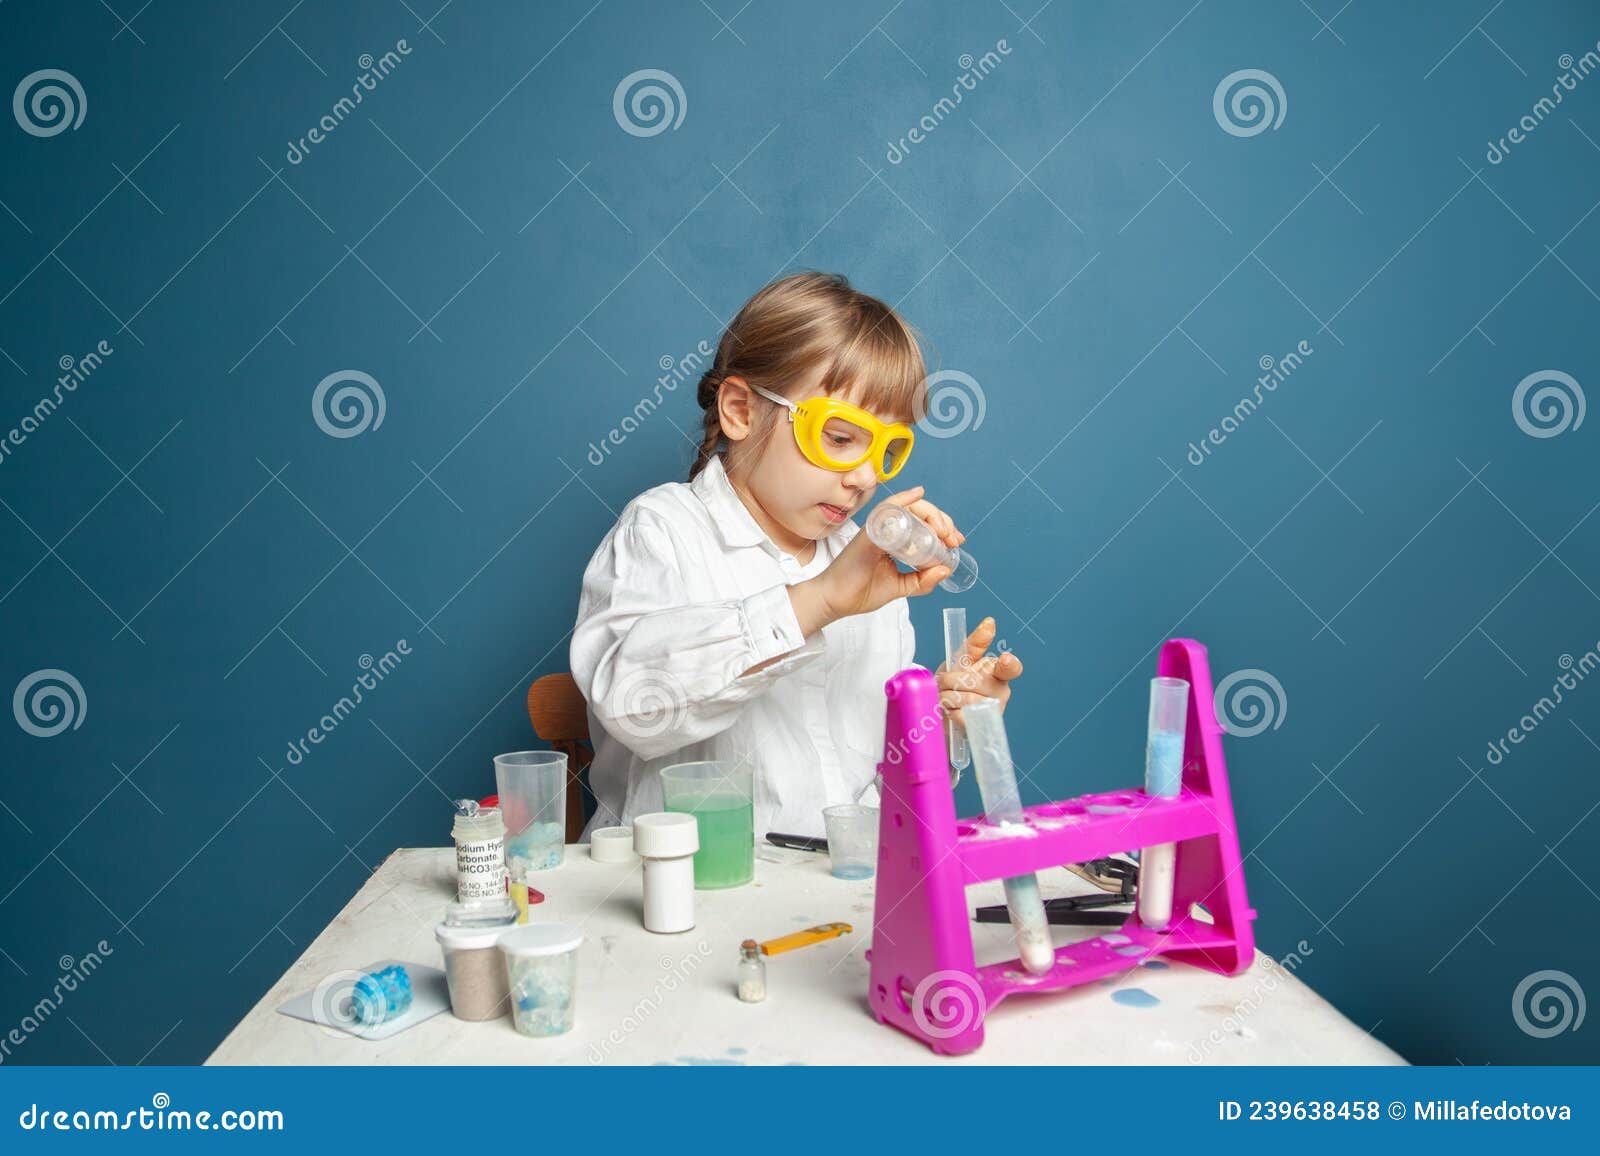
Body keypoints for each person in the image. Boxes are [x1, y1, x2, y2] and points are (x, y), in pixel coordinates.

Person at [570, 271, 1023, 838]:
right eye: (838, 438)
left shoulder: (867, 565)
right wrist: (818, 601)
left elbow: (882, 796)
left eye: (888, 450)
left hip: (834, 894)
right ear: (741, 410)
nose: (863, 477)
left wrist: (941, 723)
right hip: (686, 898)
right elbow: (633, 706)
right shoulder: (664, 529)